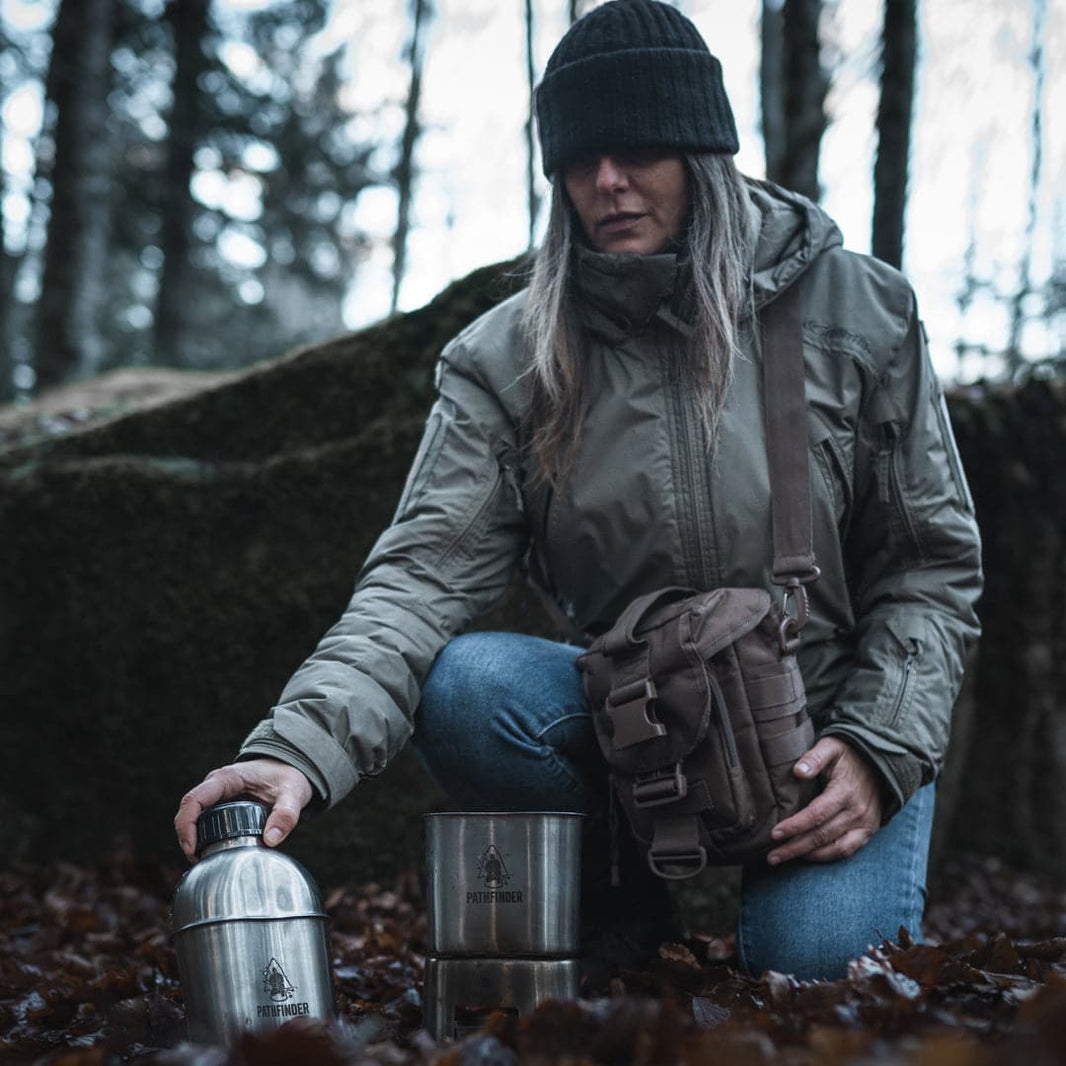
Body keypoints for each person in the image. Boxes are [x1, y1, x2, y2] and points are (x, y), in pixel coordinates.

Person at [175, 0, 982, 981]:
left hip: (823, 738)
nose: (607, 181)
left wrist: (877, 748)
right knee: (470, 685)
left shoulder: (862, 311)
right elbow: (418, 581)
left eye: (638, 148)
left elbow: (929, 568)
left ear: (701, 153)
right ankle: (618, 903)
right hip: (637, 735)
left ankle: (811, 851)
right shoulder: (505, 357)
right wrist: (294, 750)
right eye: (579, 157)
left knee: (808, 976)